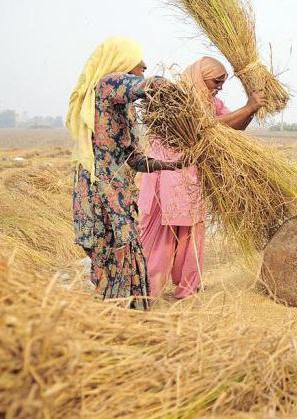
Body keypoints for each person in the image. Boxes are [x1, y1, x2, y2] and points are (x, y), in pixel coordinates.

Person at [68, 37, 183, 310]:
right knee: (110, 254)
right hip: (100, 188)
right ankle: (114, 317)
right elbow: (146, 85)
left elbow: (132, 157)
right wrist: (172, 90)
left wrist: (165, 165)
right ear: (122, 63)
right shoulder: (108, 84)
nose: (143, 65)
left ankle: (125, 317)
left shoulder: (123, 106)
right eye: (138, 61)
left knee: (125, 252)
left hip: (117, 189)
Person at [137, 56, 265, 299]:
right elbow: (203, 126)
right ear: (200, 76)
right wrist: (247, 107)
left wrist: (251, 110)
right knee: (165, 230)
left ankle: (188, 285)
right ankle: (148, 286)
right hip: (168, 171)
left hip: (191, 175)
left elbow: (233, 127)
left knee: (191, 230)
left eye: (221, 83)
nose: (218, 87)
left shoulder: (211, 101)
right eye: (215, 81)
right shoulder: (177, 98)